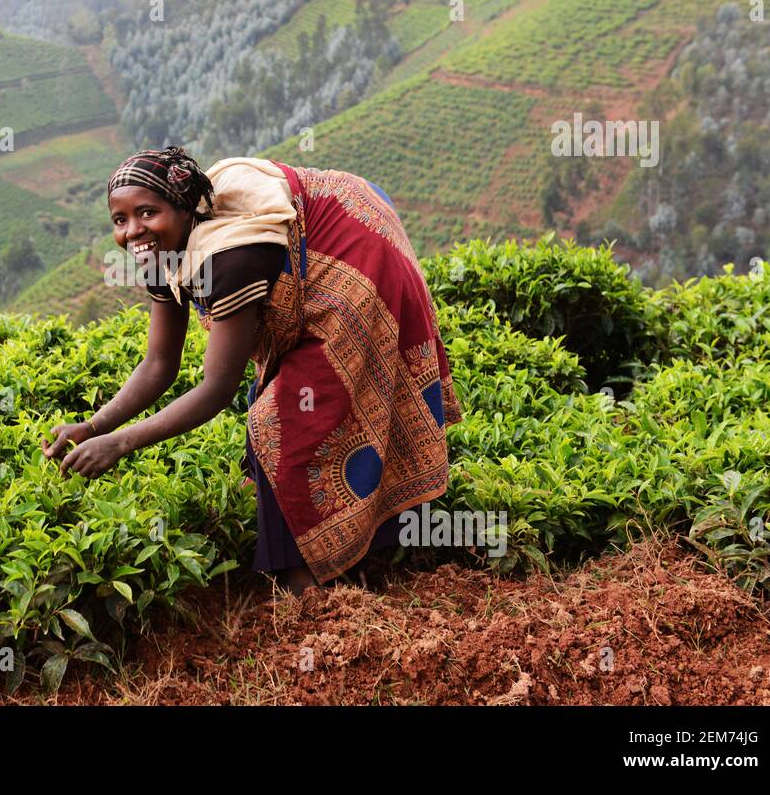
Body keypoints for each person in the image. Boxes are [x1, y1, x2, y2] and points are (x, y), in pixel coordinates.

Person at [41, 146, 461, 595]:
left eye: (148, 213)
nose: (133, 232)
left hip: (356, 255)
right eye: (120, 220)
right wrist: (94, 425)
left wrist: (121, 443)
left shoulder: (228, 259)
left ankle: (316, 578)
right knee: (279, 413)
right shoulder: (161, 254)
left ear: (185, 208)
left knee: (285, 421)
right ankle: (324, 560)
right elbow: (160, 363)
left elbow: (216, 389)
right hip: (313, 244)